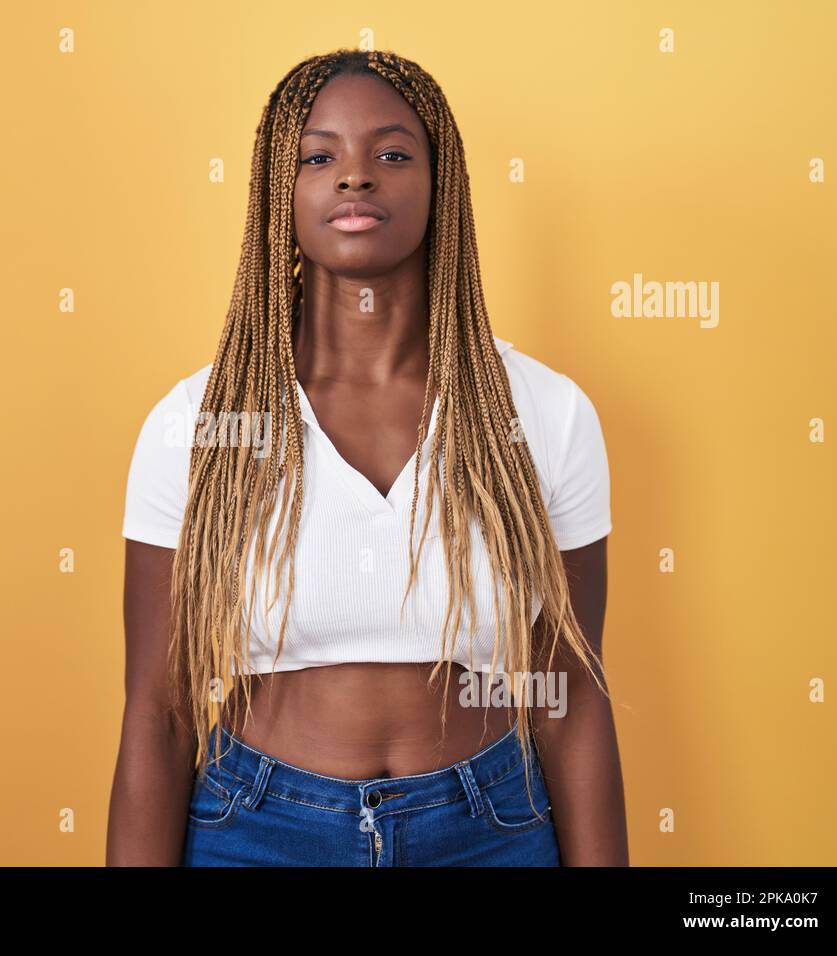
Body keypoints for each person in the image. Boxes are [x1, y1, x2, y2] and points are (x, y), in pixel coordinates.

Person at [107, 48, 627, 866]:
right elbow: (158, 708)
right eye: (320, 156)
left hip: (489, 831)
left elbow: (571, 698)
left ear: (438, 184)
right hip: (255, 832)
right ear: (281, 193)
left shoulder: (545, 415)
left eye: (391, 154)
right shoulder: (198, 426)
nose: (356, 177)